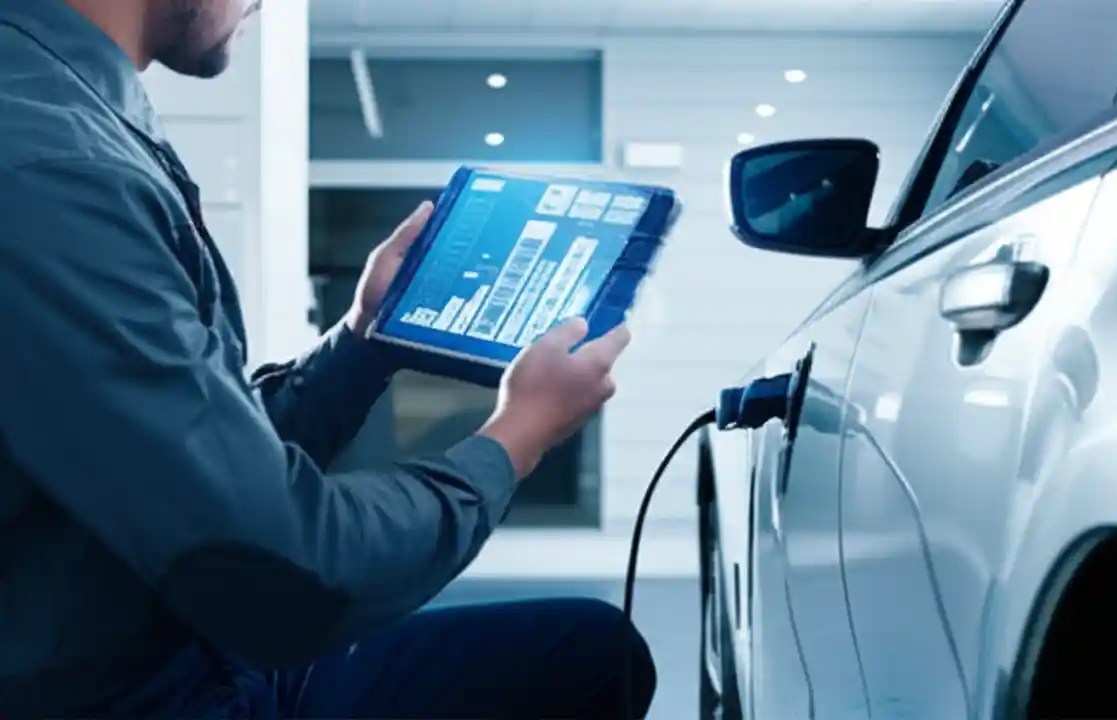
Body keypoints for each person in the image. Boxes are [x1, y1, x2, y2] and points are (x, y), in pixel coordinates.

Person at [0, 0, 657, 717]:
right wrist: (518, 436)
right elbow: (283, 577)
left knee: (593, 649)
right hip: (136, 694)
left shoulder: (68, 108)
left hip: (158, 644)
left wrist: (362, 341)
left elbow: (186, 462)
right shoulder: (54, 166)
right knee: (588, 667)